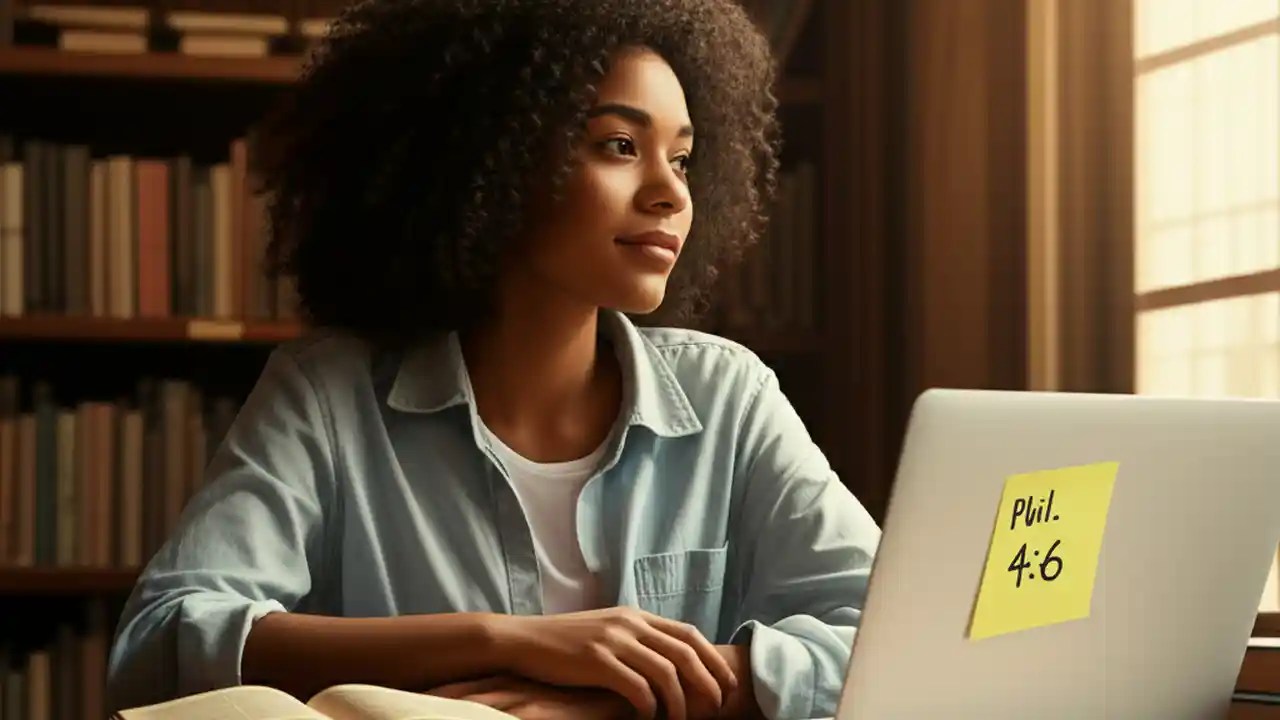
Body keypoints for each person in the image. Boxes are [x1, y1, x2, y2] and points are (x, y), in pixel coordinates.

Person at [105, 0, 881, 717]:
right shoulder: (329, 395)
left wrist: (621, 697)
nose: (671, 194)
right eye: (619, 145)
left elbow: (897, 639)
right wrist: (504, 640)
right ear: (490, 160)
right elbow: (164, 643)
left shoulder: (727, 398)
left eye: (682, 158)